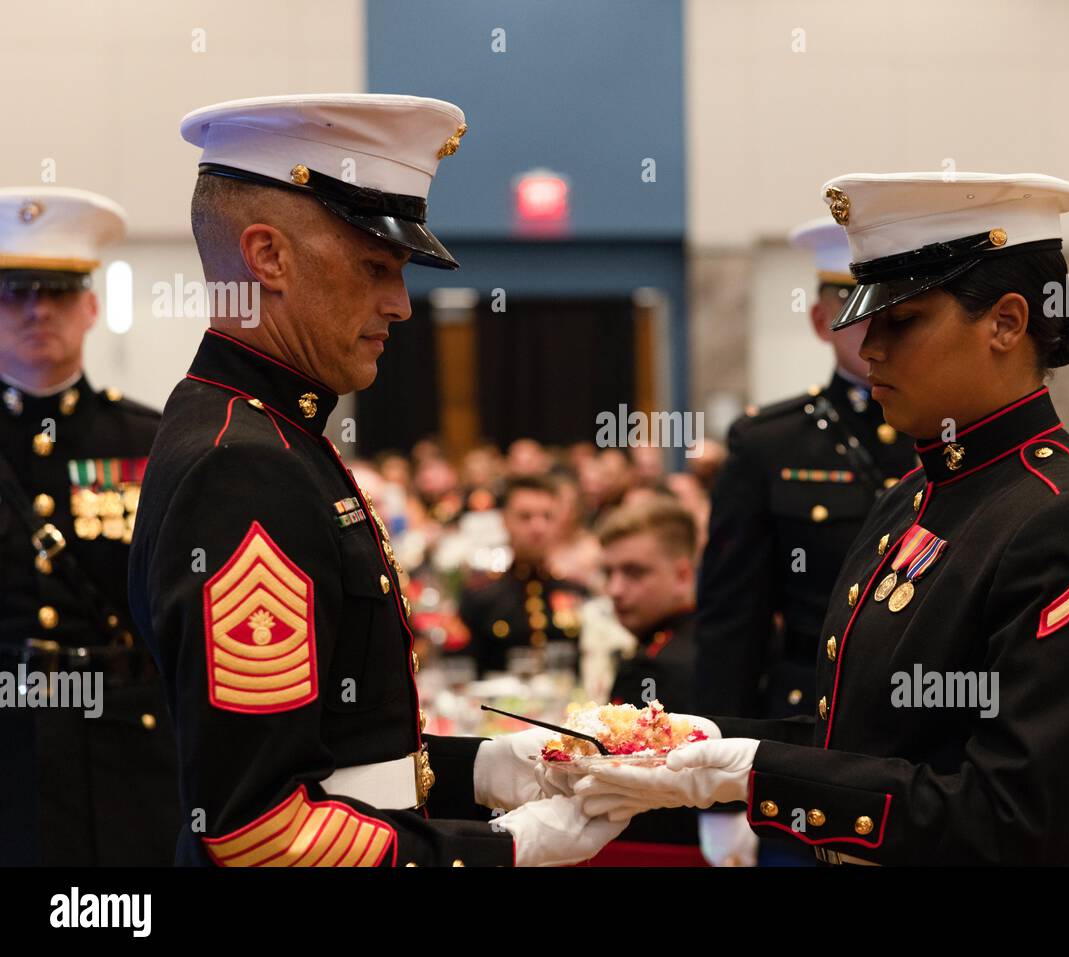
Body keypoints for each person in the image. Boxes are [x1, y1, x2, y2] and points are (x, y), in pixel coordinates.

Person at [577, 171, 1069, 865]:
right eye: (864, 315)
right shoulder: (921, 488)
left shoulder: (1066, 519)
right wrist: (691, 740)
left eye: (901, 319)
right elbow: (864, 735)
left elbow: (1011, 817)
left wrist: (757, 774)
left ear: (1006, 322)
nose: (870, 346)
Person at [127, 93, 619, 867]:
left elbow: (339, 753)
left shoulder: (264, 430)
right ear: (268, 257)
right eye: (374, 267)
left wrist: (485, 768)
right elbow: (256, 827)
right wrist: (499, 852)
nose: (400, 305)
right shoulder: (244, 463)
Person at [0, 186, 180, 865]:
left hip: (126, 742)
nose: (36, 309)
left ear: (91, 307)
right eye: (13, 293)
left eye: (55, 291)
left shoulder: (151, 438)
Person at [696, 218, 916, 722]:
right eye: (857, 308)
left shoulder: (948, 430)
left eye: (896, 310)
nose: (877, 326)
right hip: (809, 712)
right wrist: (721, 759)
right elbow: (733, 621)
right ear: (820, 320)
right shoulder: (769, 443)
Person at [584, 496, 756, 866]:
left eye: (634, 572)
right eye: (608, 572)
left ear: (682, 574)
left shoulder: (653, 667)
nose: (615, 589)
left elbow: (615, 781)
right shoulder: (719, 639)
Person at [455, 474, 587, 676]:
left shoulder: (577, 592)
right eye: (525, 517)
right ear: (505, 521)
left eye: (547, 517)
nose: (538, 528)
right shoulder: (480, 597)